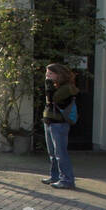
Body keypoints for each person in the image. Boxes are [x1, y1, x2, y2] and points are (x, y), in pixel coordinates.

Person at [42, 62, 79, 190]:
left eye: (50, 74)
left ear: (59, 75)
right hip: (50, 121)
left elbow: (52, 99)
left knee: (60, 152)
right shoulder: (54, 86)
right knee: (52, 152)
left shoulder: (67, 88)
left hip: (59, 123)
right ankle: (55, 176)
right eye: (47, 73)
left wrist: (48, 86)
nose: (47, 76)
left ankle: (67, 179)